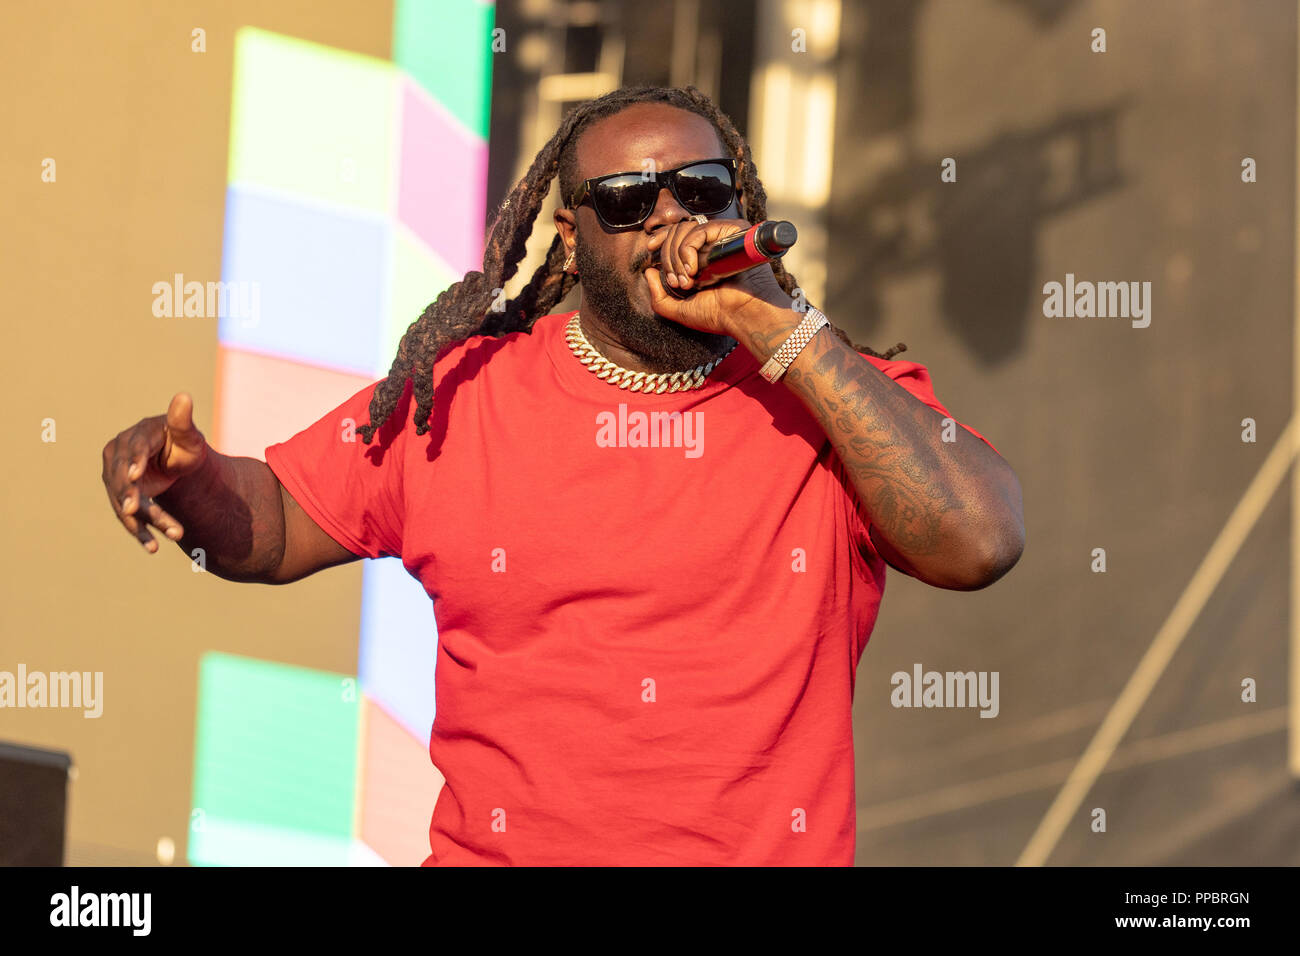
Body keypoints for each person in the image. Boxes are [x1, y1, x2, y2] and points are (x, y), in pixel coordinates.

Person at [100, 86, 1024, 866]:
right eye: (625, 199)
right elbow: (277, 521)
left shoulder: (831, 402)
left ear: (739, 209)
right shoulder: (461, 397)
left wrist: (782, 331)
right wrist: (192, 480)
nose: (668, 218)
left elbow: (980, 540)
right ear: (572, 238)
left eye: (699, 189)